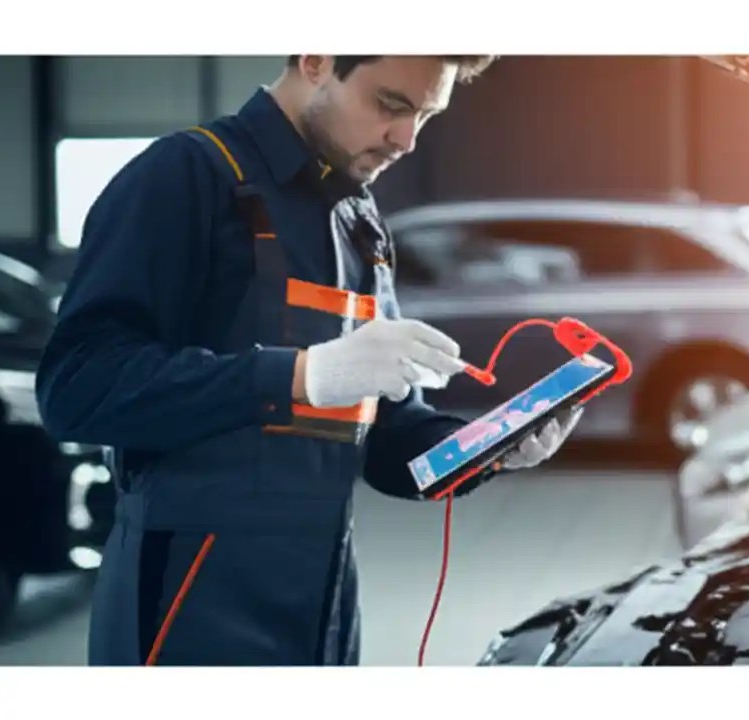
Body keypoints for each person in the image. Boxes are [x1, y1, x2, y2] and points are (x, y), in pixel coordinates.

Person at [35, 55, 582, 666]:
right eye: (392, 106)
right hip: (187, 602)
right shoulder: (186, 175)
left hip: (323, 610)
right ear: (317, 59)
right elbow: (75, 389)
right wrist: (303, 376)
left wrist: (489, 446)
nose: (407, 140)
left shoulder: (361, 223)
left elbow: (392, 448)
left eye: (427, 116)